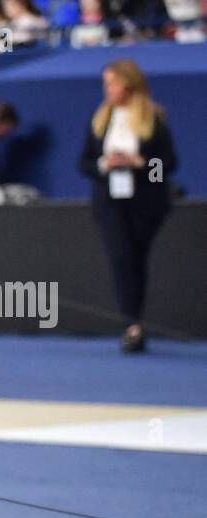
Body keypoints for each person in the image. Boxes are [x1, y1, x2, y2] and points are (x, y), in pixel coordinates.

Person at [78, 58, 177, 352]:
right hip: (109, 201)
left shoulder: (154, 119)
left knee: (136, 260)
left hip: (146, 202)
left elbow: (168, 165)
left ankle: (135, 319)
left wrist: (140, 164)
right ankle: (131, 325)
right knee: (121, 259)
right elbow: (83, 163)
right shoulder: (100, 119)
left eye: (111, 82)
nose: (106, 88)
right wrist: (104, 164)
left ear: (128, 84)